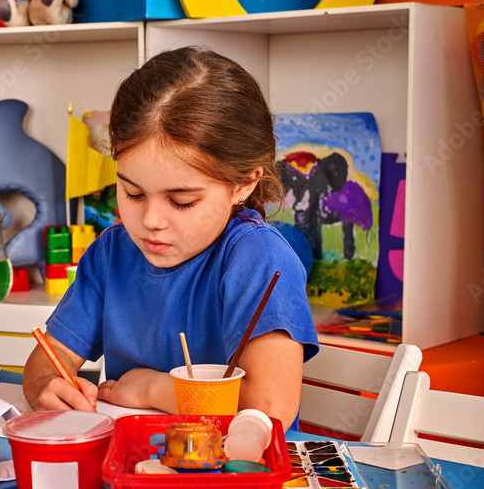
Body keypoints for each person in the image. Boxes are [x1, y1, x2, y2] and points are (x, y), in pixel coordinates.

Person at [22, 46, 318, 430]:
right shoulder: (113, 254)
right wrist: (45, 384)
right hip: (137, 472)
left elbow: (269, 408)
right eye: (132, 193)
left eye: (181, 201)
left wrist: (154, 390)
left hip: (237, 477)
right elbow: (47, 358)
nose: (150, 221)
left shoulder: (258, 260)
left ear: (243, 185)